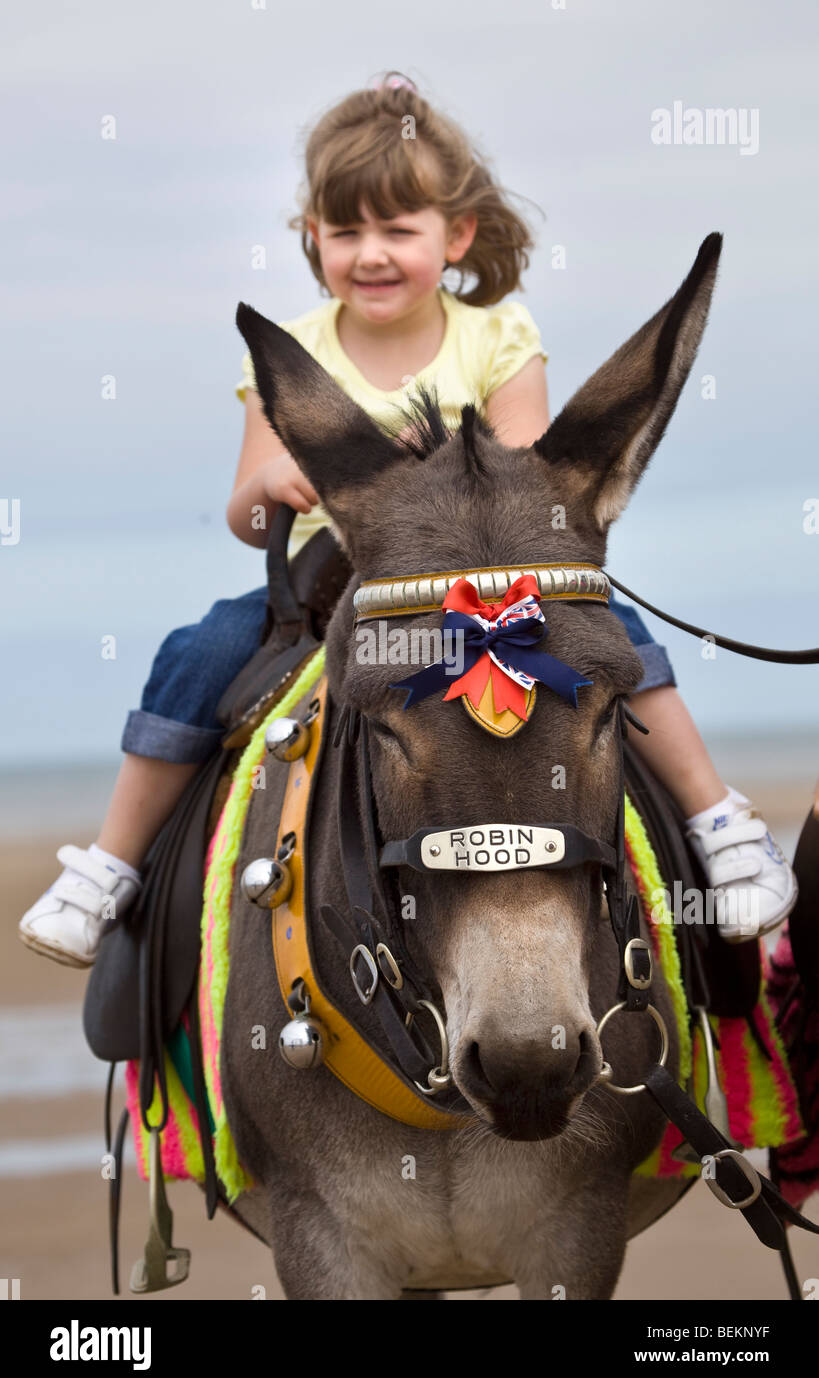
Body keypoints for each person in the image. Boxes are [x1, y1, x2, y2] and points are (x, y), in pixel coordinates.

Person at [19, 71, 796, 967]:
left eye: (398, 229)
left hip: (488, 587)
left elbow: (533, 485)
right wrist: (271, 477)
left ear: (455, 234)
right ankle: (111, 861)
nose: (371, 253)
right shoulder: (298, 350)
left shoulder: (495, 336)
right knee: (196, 653)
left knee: (613, 637)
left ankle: (715, 818)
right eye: (345, 231)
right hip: (316, 589)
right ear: (313, 240)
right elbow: (242, 514)